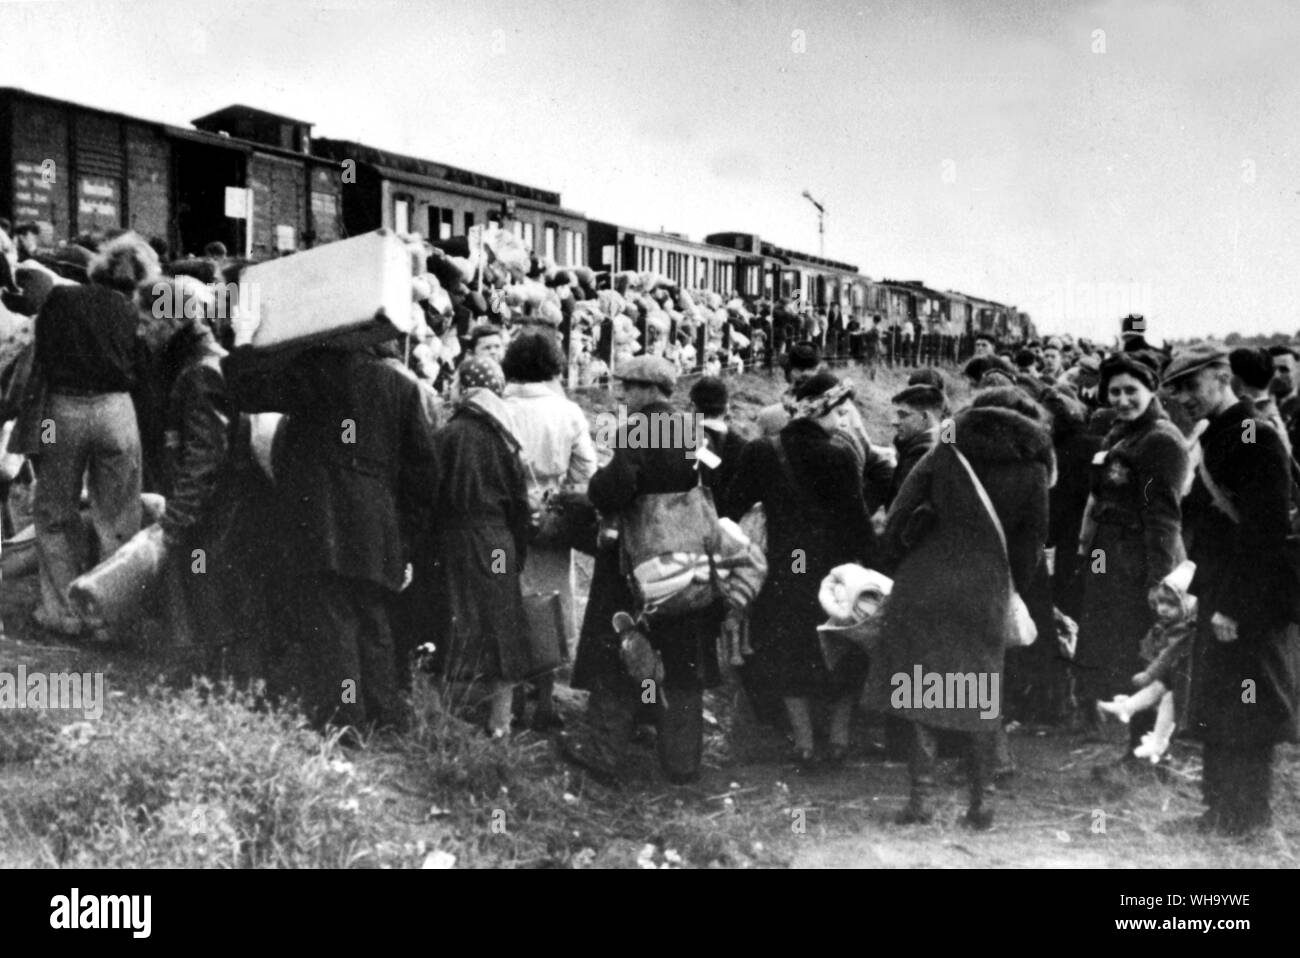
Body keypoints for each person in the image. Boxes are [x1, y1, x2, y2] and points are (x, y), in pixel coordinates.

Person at [222, 322, 439, 734]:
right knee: (373, 617)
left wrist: (245, 341)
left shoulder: (317, 368)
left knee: (333, 618)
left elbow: (245, 391)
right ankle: (387, 717)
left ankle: (346, 721)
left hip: (323, 516)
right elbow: (424, 473)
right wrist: (404, 539)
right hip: (378, 521)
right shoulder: (403, 388)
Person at [874, 386, 1052, 829]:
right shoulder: (1032, 469)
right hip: (985, 587)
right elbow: (1031, 546)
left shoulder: (943, 453)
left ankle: (921, 800)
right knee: (979, 689)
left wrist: (897, 562)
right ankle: (982, 803)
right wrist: (1009, 587)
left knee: (918, 687)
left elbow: (897, 519)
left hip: (925, 581)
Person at [562, 356, 725, 786]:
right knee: (682, 660)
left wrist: (592, 491)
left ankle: (602, 754)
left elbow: (616, 485)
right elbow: (711, 480)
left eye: (628, 386)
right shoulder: (690, 427)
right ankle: (682, 763)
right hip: (688, 558)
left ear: (650, 389)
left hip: (639, 560)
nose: (622, 394)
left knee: (622, 647)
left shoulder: (639, 427)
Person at [1163, 345, 1299, 836]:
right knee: (1223, 703)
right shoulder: (1218, 434)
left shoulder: (1251, 434)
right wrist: (1199, 590)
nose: (1182, 397)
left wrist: (1235, 607)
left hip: (1250, 599)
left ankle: (1247, 816)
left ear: (1222, 377)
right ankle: (1219, 808)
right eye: (1174, 389)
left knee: (1248, 703)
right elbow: (1211, 528)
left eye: (1191, 385)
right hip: (1223, 591)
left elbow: (1262, 532)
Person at [723, 371, 878, 767]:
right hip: (833, 570)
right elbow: (856, 521)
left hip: (785, 568)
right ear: (822, 409)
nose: (843, 421)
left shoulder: (762, 450)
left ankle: (804, 743)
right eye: (839, 412)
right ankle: (840, 740)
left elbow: (733, 507)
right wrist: (874, 563)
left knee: (788, 650)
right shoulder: (839, 454)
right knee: (840, 647)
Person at [30, 232, 157, 637]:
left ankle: (63, 614)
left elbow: (43, 355)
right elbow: (144, 368)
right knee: (118, 515)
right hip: (117, 409)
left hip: (62, 410)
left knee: (54, 512)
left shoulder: (60, 299)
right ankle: (110, 618)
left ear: (98, 267)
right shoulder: (134, 311)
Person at [1074, 352, 1188, 762]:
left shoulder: (1160, 439)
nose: (1122, 399)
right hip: (1114, 559)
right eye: (1114, 391)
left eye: (1131, 391)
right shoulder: (1121, 434)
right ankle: (1134, 747)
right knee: (1123, 652)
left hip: (1140, 562)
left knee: (1146, 652)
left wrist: (1159, 585)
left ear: (1151, 389)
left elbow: (1164, 517)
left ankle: (1150, 752)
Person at [425, 357, 533, 738]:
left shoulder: (446, 435)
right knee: (502, 621)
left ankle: (445, 714)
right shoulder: (507, 437)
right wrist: (516, 552)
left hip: (457, 538)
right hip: (499, 540)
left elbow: (430, 496)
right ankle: (500, 722)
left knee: (455, 615)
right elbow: (521, 503)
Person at [502, 329, 597, 729]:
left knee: (510, 598)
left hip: (506, 517)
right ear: (554, 366)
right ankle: (545, 697)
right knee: (551, 601)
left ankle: (508, 700)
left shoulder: (500, 408)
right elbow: (586, 472)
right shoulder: (568, 412)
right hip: (552, 519)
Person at [1095, 560, 1197, 763]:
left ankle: (1158, 741)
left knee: (1168, 697)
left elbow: (1167, 657)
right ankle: (1130, 707)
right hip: (1170, 676)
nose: (1163, 609)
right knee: (1160, 688)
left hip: (1183, 679)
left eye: (1171, 605)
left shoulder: (1184, 631)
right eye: (1161, 603)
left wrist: (1149, 673)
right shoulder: (1165, 626)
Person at [887, 384, 943, 508]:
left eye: (902, 415)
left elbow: (902, 505)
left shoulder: (922, 450)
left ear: (924, 417)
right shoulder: (944, 440)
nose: (894, 422)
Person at [1267, 344, 1299, 454]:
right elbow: (1246, 443)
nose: (1276, 375)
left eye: (1283, 369)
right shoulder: (1253, 405)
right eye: (1272, 370)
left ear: (1297, 371)